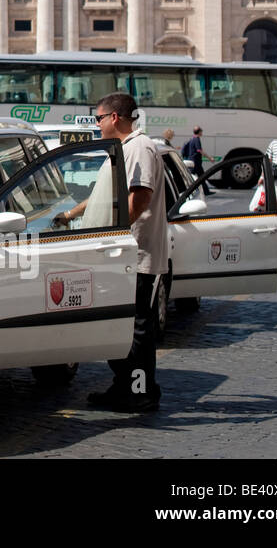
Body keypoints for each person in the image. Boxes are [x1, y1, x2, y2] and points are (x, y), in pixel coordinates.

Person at [57, 92, 166, 412]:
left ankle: (140, 392)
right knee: (121, 327)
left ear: (114, 118)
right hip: (121, 255)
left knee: (137, 331)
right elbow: (103, 197)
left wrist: (113, 234)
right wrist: (71, 214)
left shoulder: (140, 148)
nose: (97, 125)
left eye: (99, 118)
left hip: (136, 257)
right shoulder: (123, 149)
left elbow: (140, 198)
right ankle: (126, 387)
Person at [181, 127, 210, 196]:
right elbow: (199, 150)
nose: (202, 133)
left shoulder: (192, 139)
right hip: (196, 162)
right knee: (200, 177)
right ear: (199, 132)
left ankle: (206, 191)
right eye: (201, 131)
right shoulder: (197, 139)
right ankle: (187, 192)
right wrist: (209, 158)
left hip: (193, 161)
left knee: (199, 177)